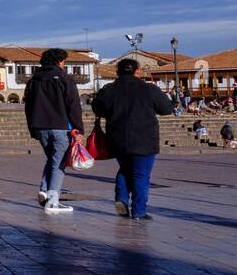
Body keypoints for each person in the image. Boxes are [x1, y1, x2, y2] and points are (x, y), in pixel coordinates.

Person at [92, 58, 173, 221]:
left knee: (125, 169)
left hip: (117, 137)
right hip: (144, 138)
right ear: (138, 71)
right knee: (141, 175)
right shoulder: (149, 89)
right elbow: (166, 109)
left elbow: (97, 108)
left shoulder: (109, 89)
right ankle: (139, 211)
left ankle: (121, 199)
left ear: (117, 72)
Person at [24, 48, 83, 214]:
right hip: (60, 127)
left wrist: (32, 128)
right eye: (64, 61)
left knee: (52, 159)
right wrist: (78, 128)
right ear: (59, 62)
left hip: (40, 126)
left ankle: (44, 190)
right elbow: (73, 105)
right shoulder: (64, 78)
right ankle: (53, 200)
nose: (64, 65)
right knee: (59, 163)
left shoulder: (33, 80)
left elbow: (28, 107)